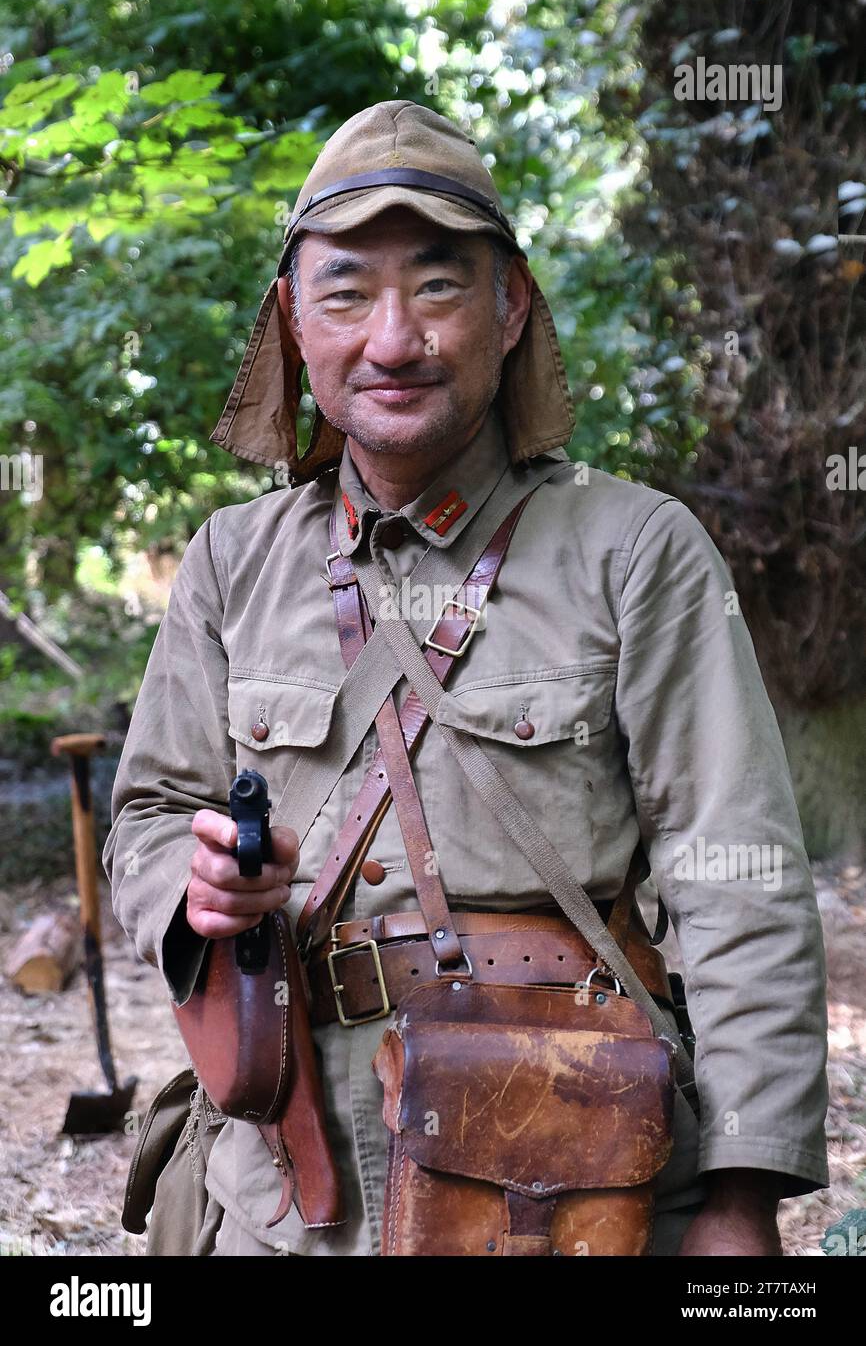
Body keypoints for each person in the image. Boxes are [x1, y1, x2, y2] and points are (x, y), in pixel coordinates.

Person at [103, 100, 829, 1257]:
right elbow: (145, 816)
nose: (392, 339)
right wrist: (190, 897)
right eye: (345, 292)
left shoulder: (633, 548)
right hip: (285, 1183)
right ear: (295, 321)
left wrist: (741, 1196)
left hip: (564, 1169)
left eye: (437, 286)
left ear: (509, 307)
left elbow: (735, 876)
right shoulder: (231, 563)